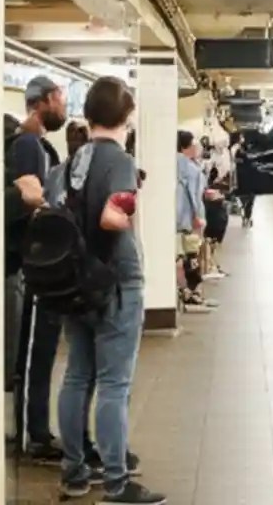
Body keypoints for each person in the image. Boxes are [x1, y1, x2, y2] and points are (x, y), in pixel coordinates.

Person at [57, 77, 165, 504]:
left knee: (77, 376)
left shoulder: (70, 161)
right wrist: (128, 205)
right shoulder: (119, 160)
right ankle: (117, 483)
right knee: (114, 385)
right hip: (116, 282)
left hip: (74, 282)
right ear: (127, 115)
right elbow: (110, 217)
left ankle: (74, 472)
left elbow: (54, 209)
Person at [6, 76, 67, 464]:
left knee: (41, 351)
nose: (64, 106)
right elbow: (31, 201)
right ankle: (32, 436)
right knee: (31, 354)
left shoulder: (39, 144)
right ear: (44, 101)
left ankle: (39, 430)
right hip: (30, 265)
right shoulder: (29, 145)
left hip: (35, 264)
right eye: (61, 98)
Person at [176, 131, 216, 310]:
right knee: (190, 255)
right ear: (186, 147)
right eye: (194, 144)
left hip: (180, 218)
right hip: (187, 219)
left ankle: (186, 291)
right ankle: (192, 293)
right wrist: (197, 217)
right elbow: (192, 194)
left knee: (182, 256)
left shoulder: (180, 163)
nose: (198, 147)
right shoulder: (188, 167)